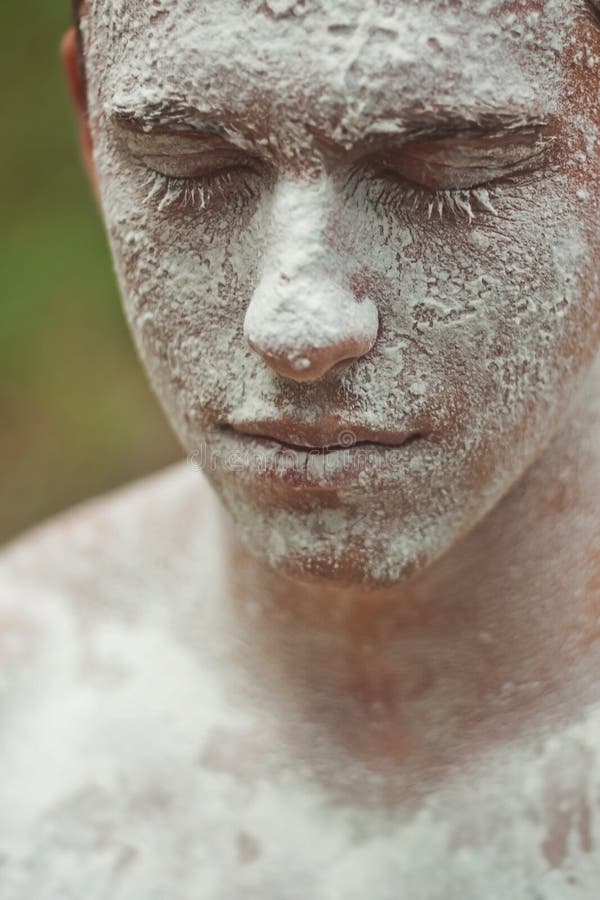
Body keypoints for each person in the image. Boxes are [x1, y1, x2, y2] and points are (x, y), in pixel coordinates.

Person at [1, 0, 599, 895]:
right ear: (92, 130)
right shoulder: (25, 705)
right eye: (188, 165)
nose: (295, 323)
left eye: (446, 169)